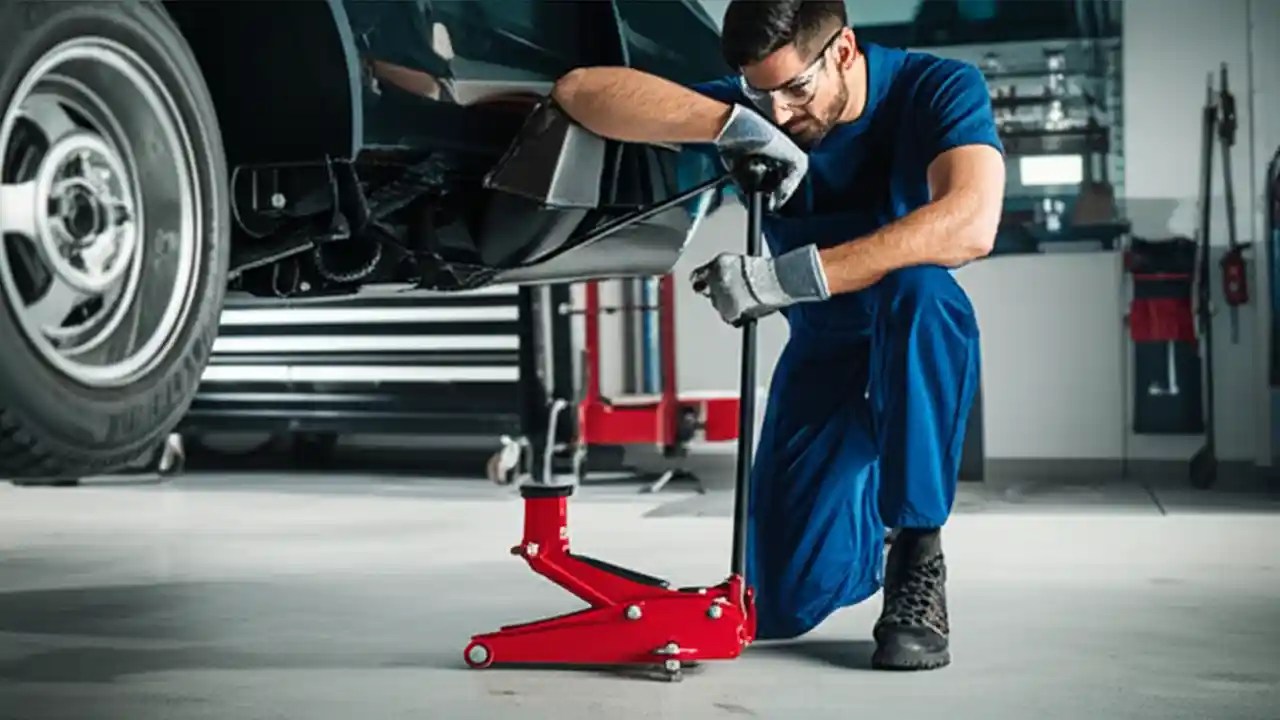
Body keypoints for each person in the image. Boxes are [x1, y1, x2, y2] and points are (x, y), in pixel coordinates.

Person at [550, 0, 1005, 671]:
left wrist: (791, 277)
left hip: (909, 345)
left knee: (922, 293)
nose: (784, 113)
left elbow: (971, 223)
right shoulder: (758, 108)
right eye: (761, 93)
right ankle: (868, 519)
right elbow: (579, 92)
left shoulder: (935, 88)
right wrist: (729, 121)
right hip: (822, 350)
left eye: (797, 88)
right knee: (782, 605)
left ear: (844, 51)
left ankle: (916, 551)